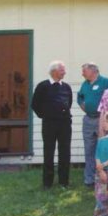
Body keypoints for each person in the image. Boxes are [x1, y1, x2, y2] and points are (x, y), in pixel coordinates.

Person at [32, 60, 73, 189]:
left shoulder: (66, 87)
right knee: (48, 152)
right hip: (49, 124)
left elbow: (69, 102)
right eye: (62, 70)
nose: (65, 72)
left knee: (65, 152)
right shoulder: (43, 86)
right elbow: (35, 104)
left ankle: (63, 182)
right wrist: (46, 115)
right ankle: (47, 183)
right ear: (54, 71)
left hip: (65, 124)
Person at [77, 62, 108, 188]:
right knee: (89, 149)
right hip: (88, 120)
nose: (82, 73)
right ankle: (89, 179)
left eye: (84, 71)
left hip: (102, 119)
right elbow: (79, 98)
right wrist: (84, 108)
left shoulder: (106, 82)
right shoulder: (85, 84)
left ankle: (106, 177)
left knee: (104, 149)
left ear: (93, 71)